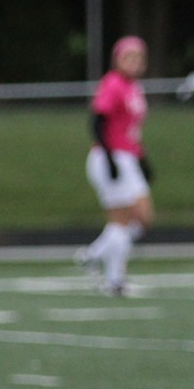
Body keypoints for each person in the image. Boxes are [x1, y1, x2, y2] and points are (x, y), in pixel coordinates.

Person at [75, 35, 153, 298]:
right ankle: (115, 279)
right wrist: (109, 157)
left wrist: (142, 158)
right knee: (125, 219)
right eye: (129, 57)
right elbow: (98, 122)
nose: (135, 62)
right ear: (117, 59)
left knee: (140, 218)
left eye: (139, 57)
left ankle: (94, 255)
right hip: (111, 157)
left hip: (127, 157)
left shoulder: (134, 87)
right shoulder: (113, 83)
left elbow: (130, 129)